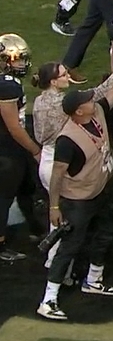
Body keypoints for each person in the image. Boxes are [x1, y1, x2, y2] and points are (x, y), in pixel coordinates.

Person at [39, 70, 113, 321]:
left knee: (105, 233)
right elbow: (58, 175)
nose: (91, 100)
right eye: (86, 100)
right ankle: (48, 299)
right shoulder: (67, 140)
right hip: (77, 199)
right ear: (78, 111)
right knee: (70, 246)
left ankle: (93, 280)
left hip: (99, 190)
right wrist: (54, 207)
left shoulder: (97, 113)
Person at [0, 36, 40, 262]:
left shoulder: (7, 81)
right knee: (3, 196)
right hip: (7, 148)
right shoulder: (7, 86)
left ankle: (34, 226)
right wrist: (34, 149)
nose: (23, 64)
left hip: (10, 146)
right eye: (18, 60)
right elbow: (14, 127)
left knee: (26, 186)